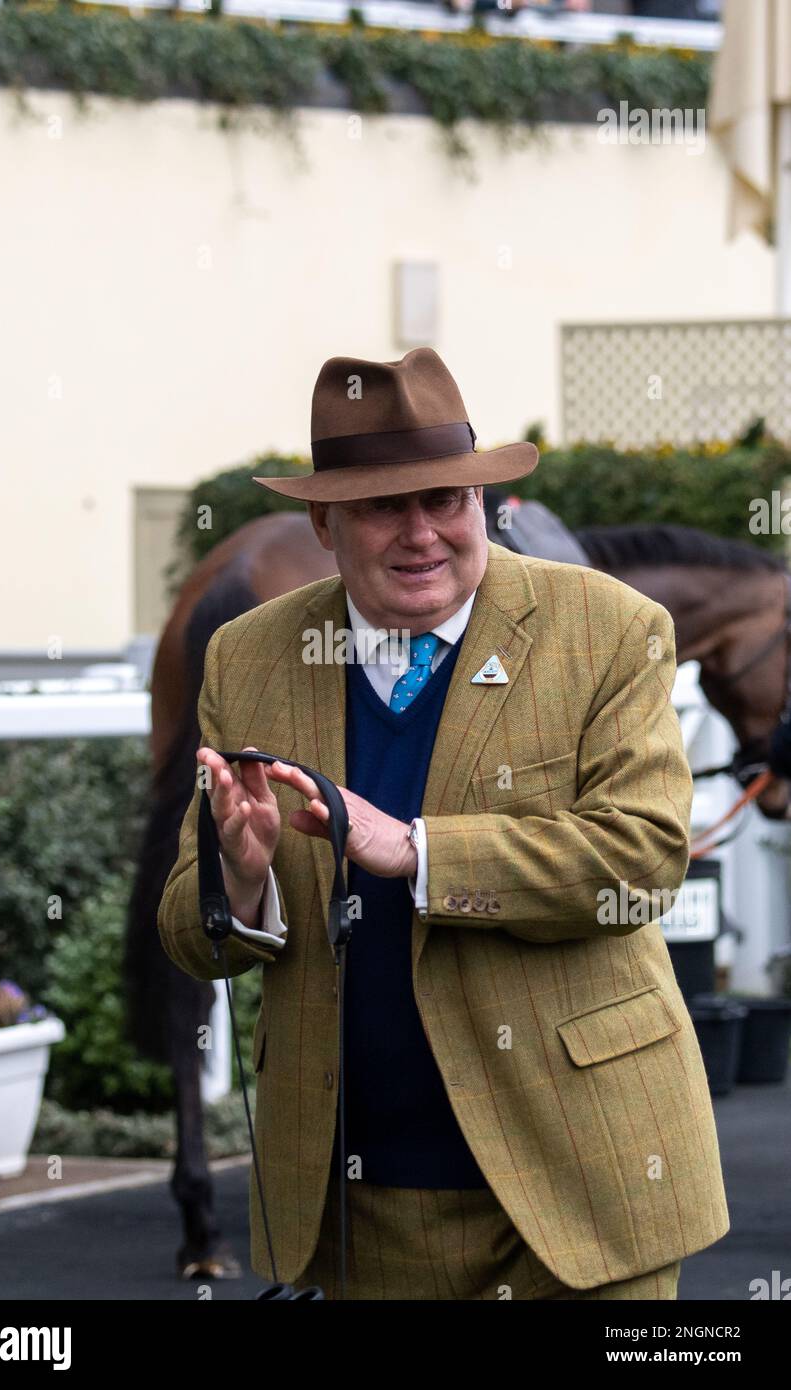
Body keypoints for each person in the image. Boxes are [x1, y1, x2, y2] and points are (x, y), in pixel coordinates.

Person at [158, 347, 729, 1300]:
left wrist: (415, 850)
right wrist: (242, 878)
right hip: (355, 1205)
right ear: (324, 522)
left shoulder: (608, 629)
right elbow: (191, 936)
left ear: (481, 501)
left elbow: (642, 861)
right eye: (385, 506)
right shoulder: (247, 657)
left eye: (445, 500)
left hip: (582, 1188)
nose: (421, 534)